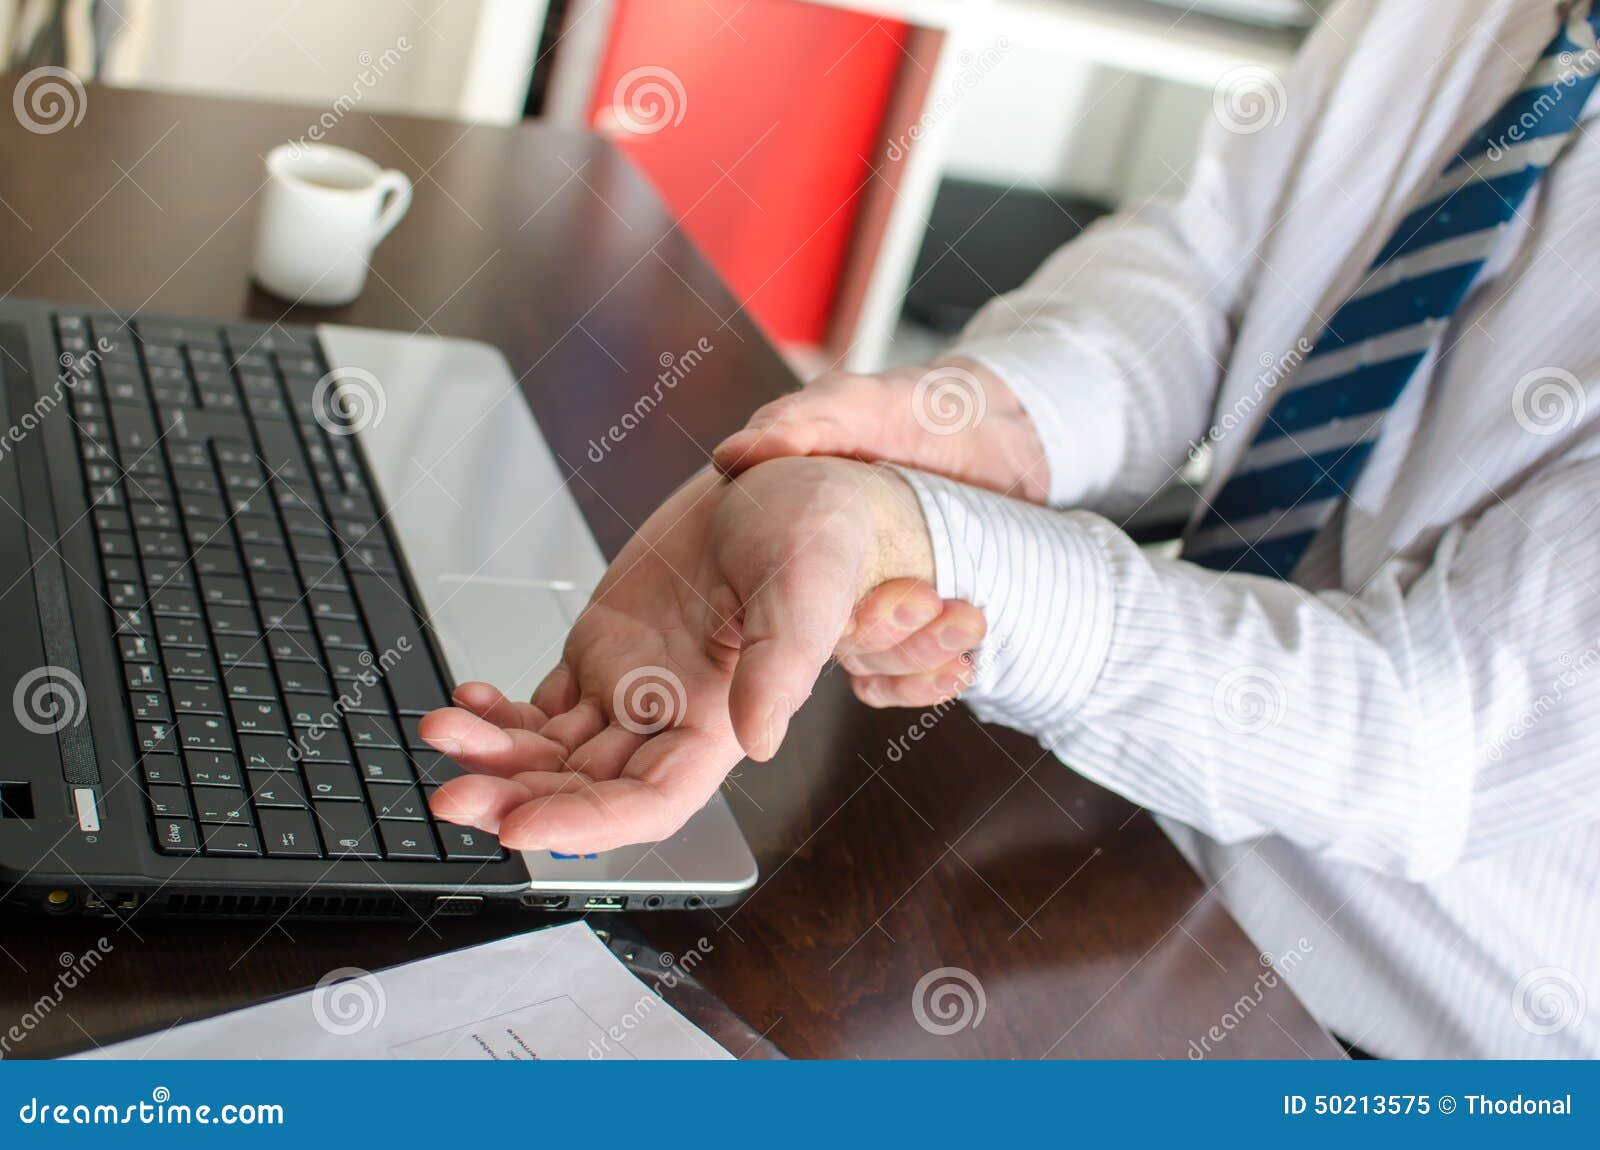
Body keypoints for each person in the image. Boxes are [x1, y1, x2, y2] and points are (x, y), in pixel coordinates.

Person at [422, 0, 1600, 1058]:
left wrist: (930, 538)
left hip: (1378, 1034)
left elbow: (1430, 736)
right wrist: (981, 417)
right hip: (1130, 822)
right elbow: (1207, 270)